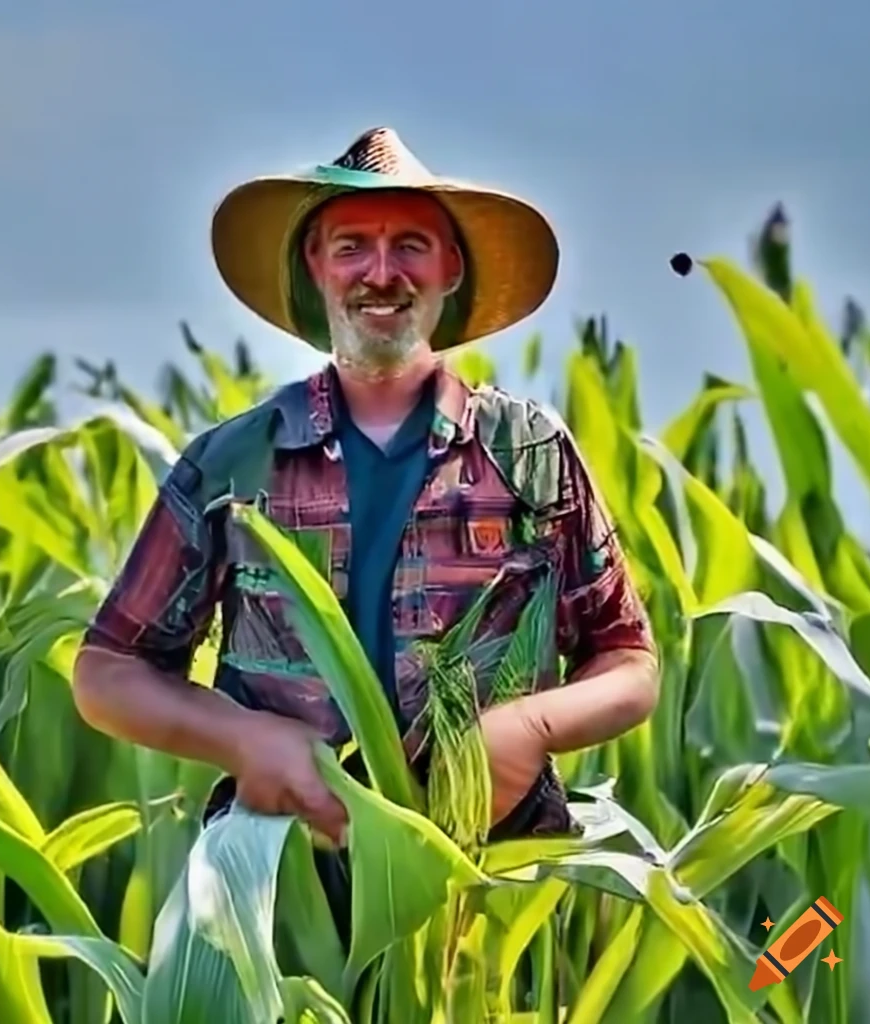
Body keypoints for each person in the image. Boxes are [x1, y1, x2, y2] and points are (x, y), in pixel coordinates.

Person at [72, 126, 659, 937]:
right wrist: (244, 739)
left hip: (491, 891)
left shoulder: (528, 453)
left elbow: (629, 661)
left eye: (410, 245)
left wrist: (527, 727)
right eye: (353, 246)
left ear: (451, 269)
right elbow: (109, 670)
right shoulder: (235, 462)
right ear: (316, 267)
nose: (381, 274)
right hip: (284, 893)